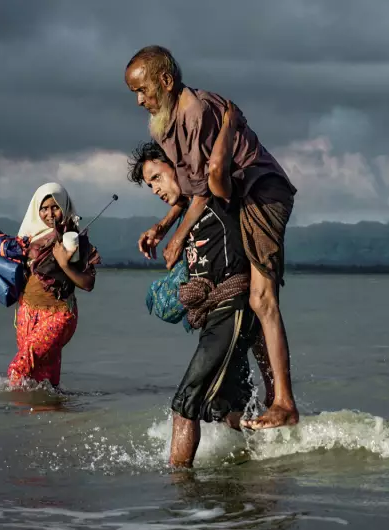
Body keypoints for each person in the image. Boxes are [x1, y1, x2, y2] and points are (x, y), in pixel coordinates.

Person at [124, 45, 298, 430]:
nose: (139, 100)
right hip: (238, 195)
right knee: (251, 307)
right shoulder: (168, 122)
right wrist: (167, 224)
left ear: (165, 81)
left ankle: (284, 402)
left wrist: (177, 233)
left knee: (260, 297)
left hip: (261, 192)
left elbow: (214, 183)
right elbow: (192, 187)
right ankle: (271, 399)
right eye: (134, 93)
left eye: (143, 90)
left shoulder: (195, 112)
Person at [128, 104, 258, 467]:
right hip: (218, 317)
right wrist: (164, 224)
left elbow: (203, 186)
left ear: (178, 165)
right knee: (225, 407)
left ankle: (180, 494)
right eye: (149, 184)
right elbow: (187, 201)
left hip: (232, 310)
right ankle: (261, 471)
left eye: (156, 177)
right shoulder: (190, 209)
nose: (154, 188)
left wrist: (229, 121)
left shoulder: (218, 193)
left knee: (184, 405)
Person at [8, 183, 100, 388]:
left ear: (65, 207)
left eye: (55, 207)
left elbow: (88, 283)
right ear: (36, 210)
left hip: (59, 314)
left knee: (19, 368)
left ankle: (7, 409)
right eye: (44, 208)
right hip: (27, 311)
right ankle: (45, 415)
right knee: (41, 377)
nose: (50, 214)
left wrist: (64, 263)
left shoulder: (76, 240)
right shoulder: (28, 238)